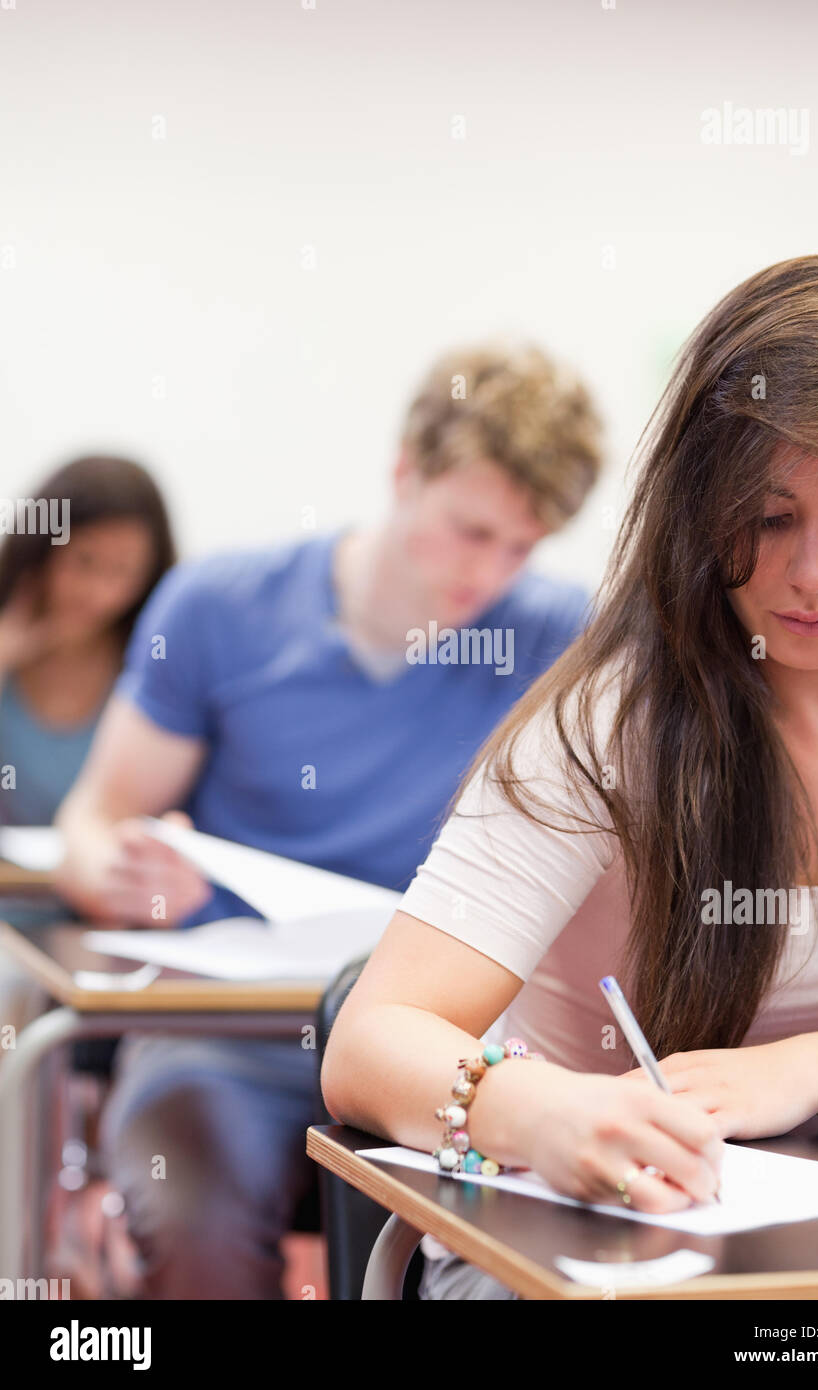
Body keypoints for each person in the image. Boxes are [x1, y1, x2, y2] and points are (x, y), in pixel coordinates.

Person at [321, 255, 818, 1300]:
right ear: (702, 500)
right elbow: (370, 1044)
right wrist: (539, 1109)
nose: (815, 573)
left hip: (815, 1236)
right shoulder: (602, 730)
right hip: (564, 1244)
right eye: (770, 516)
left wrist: (811, 1068)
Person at [54, 342, 605, 1298]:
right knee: (196, 1218)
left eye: (523, 546)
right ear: (404, 469)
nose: (493, 572)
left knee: (530, 1243)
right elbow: (93, 817)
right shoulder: (221, 609)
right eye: (471, 530)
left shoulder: (562, 636)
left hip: (444, 1043)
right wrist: (119, 873)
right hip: (230, 1037)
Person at [0, 456, 176, 1040]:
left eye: (124, 571)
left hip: (99, 926)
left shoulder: (149, 672)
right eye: (85, 562)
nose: (101, 591)